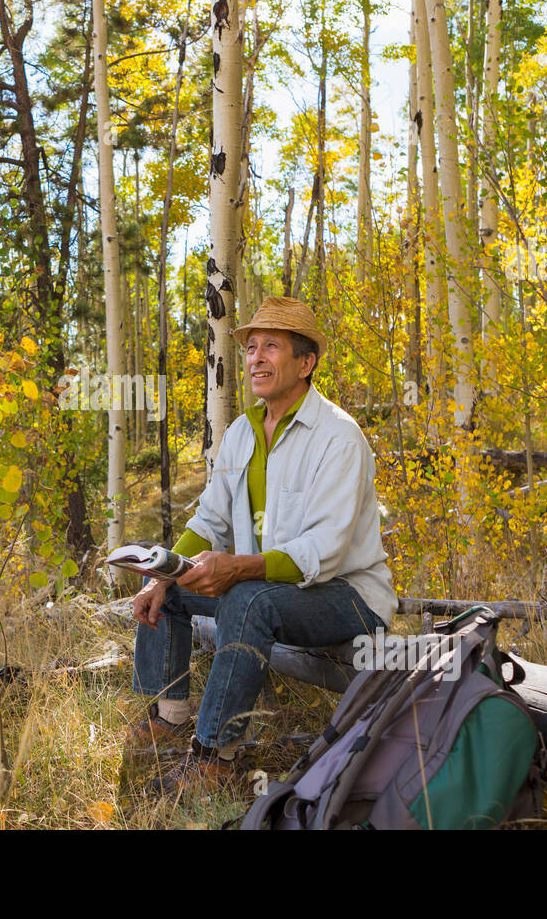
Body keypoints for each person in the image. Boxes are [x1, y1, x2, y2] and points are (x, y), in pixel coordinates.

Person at [126, 295, 398, 796]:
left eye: (271, 346)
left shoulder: (338, 436)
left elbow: (326, 551)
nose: (256, 358)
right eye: (251, 348)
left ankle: (213, 757)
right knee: (167, 585)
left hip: (348, 596)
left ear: (306, 361)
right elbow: (210, 517)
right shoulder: (242, 432)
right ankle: (167, 720)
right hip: (275, 588)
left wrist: (240, 568)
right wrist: (165, 572)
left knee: (247, 599)